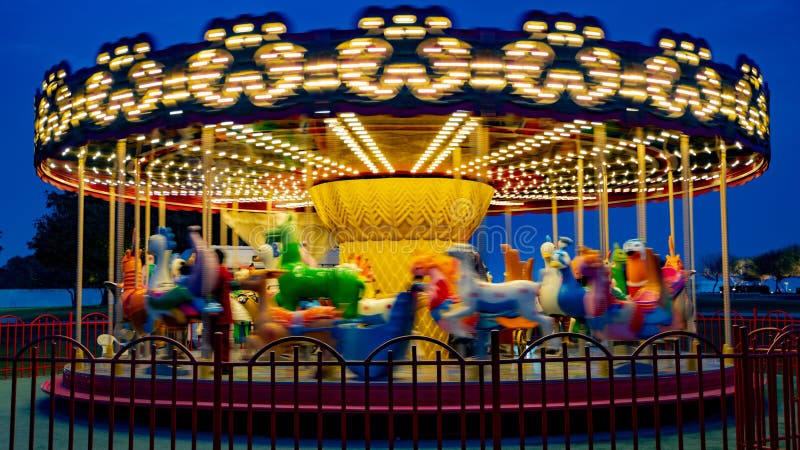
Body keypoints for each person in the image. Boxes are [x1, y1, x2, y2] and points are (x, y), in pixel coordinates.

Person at [211, 248, 234, 363]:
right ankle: (224, 364)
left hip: (218, 313)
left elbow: (212, 289)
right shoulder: (225, 271)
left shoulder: (217, 271)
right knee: (223, 341)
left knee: (218, 341)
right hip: (225, 312)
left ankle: (222, 365)